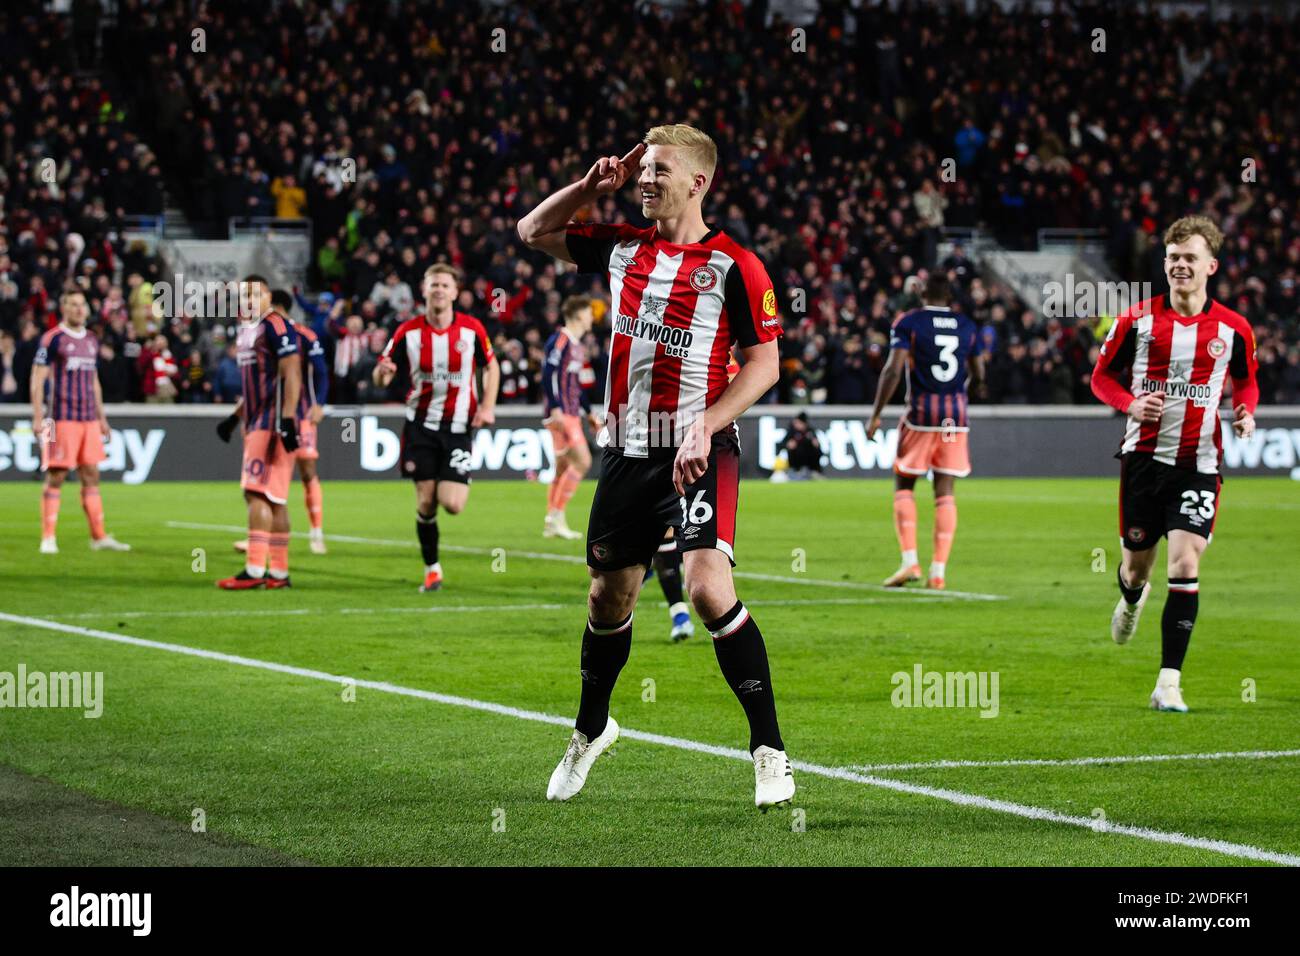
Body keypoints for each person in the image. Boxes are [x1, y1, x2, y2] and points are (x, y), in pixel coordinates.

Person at [517, 123, 795, 809]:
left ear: (697, 182)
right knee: (607, 598)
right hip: (626, 454)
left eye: (659, 169)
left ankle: (770, 752)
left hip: (699, 452)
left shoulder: (736, 265)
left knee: (705, 589)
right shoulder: (619, 248)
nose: (644, 178)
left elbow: (764, 364)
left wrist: (708, 422)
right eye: (641, 169)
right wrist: (588, 188)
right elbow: (530, 230)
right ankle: (591, 728)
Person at [1090, 216, 1258, 713]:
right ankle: (1130, 598)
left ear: (1211, 265)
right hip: (1144, 461)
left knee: (1186, 563)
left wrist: (1246, 410)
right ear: (1164, 264)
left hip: (1199, 464)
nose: (1180, 265)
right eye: (1173, 258)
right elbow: (1102, 378)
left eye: (1190, 257)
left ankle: (1168, 682)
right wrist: (1130, 404)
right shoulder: (1136, 320)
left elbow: (1246, 381)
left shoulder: (1233, 328)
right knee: (1137, 568)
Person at [373, 263, 500, 592]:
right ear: (424, 291)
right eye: (434, 285)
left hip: (458, 427)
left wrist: (487, 405)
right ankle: (432, 569)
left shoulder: (472, 329)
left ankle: (457, 481)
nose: (439, 290)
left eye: (445, 285)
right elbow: (381, 372)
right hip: (421, 426)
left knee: (453, 505)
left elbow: (492, 365)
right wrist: (383, 373)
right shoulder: (407, 331)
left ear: (456, 292)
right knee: (426, 501)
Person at [867, 275, 983, 590]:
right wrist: (961, 394)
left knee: (905, 483)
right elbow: (980, 373)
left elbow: (893, 368)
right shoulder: (967, 325)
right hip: (955, 419)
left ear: (922, 293)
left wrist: (876, 413)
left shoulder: (909, 322)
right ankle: (938, 572)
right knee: (944, 491)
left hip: (920, 414)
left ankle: (909, 562)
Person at [215, 276, 302, 590]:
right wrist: (234, 417)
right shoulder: (247, 331)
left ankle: (254, 569)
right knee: (276, 499)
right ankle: (278, 573)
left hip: (271, 423)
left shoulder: (274, 325)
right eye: (243, 295)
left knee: (256, 493)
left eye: (254, 294)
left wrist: (289, 419)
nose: (248, 300)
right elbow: (257, 386)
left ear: (267, 295)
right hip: (256, 421)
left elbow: (292, 371)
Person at [30, 289, 131, 553]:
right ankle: (48, 537)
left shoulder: (91, 339)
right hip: (60, 418)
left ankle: (98, 537)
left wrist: (102, 418)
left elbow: (94, 381)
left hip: (88, 419)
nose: (78, 309)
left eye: (81, 304)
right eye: (72, 304)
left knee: (91, 475)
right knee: (57, 475)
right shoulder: (53, 339)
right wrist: (38, 417)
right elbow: (38, 378)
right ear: (63, 308)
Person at [541, 294, 600, 540]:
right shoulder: (561, 340)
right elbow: (548, 373)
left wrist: (588, 413)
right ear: (577, 314)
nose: (592, 318)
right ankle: (556, 517)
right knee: (583, 461)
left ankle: (551, 521)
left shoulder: (576, 345)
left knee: (562, 468)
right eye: (589, 313)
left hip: (572, 412)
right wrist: (555, 408)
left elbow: (575, 384)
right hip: (562, 413)